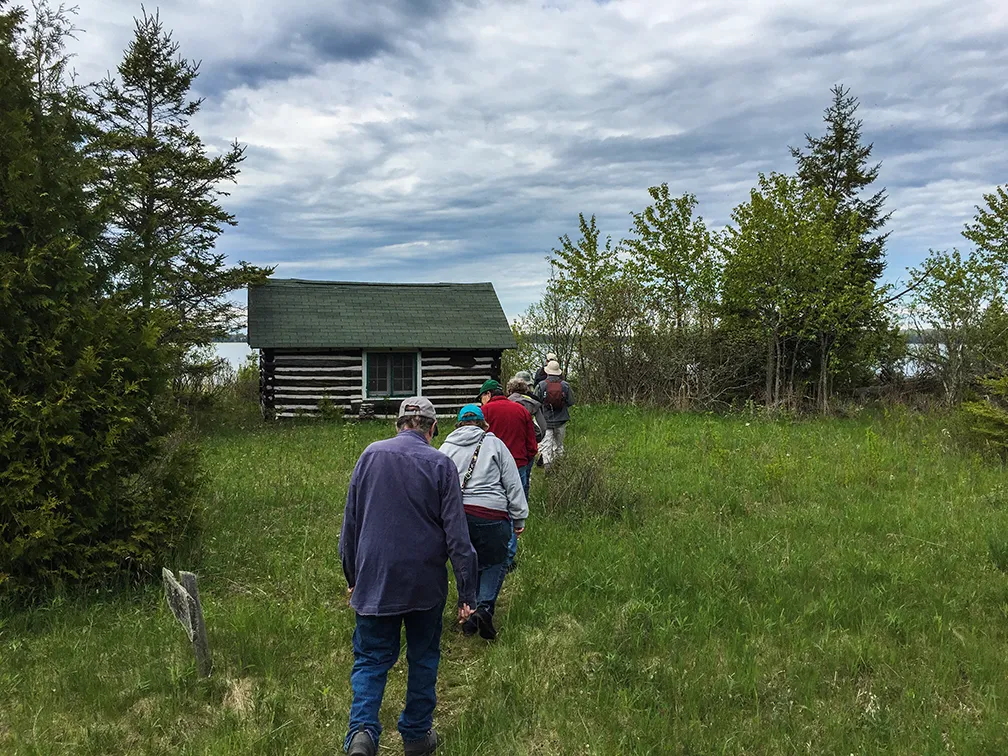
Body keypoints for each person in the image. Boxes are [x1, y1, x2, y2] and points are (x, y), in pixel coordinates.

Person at [339, 397, 478, 756]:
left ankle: (362, 735)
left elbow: (350, 525)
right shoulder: (441, 465)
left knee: (371, 659)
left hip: (376, 578)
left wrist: (352, 576)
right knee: (423, 656)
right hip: (424, 583)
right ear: (433, 429)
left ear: (398, 424)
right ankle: (416, 736)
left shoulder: (370, 455)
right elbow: (458, 537)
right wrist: (467, 594)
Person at [439, 404, 528, 641]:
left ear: (458, 424)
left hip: (457, 517)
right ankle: (484, 609)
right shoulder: (494, 443)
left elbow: (436, 486)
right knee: (495, 562)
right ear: (483, 424)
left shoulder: (445, 448)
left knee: (465, 562)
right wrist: (519, 516)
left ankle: (468, 613)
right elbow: (512, 483)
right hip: (492, 514)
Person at [534, 360, 575, 468]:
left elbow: (536, 402)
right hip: (561, 420)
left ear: (547, 372)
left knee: (546, 445)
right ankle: (560, 467)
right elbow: (571, 401)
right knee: (559, 445)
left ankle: (548, 468)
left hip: (546, 420)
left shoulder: (541, 385)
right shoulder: (565, 385)